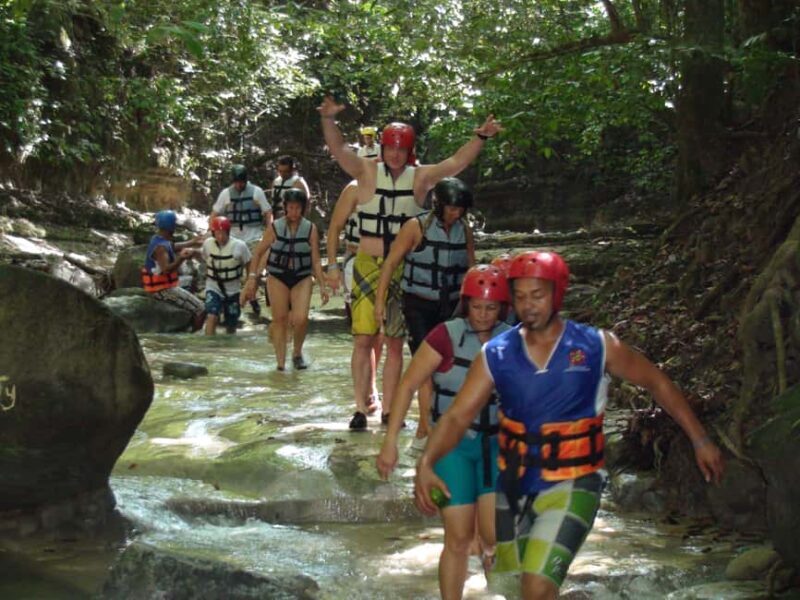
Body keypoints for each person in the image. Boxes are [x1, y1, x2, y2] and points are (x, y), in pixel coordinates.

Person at [413, 250, 725, 599]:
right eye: (520, 296)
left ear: (557, 294)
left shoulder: (597, 346)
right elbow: (457, 416)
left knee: (536, 587)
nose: (529, 305)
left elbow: (657, 383)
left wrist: (699, 440)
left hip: (574, 483)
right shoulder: (496, 355)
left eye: (538, 295)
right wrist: (427, 462)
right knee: (509, 584)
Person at [319, 95, 501, 431]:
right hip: (366, 263)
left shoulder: (419, 179)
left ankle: (390, 410)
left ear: (410, 150)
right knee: (363, 338)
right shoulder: (364, 173)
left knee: (393, 342)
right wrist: (329, 120)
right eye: (391, 148)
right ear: (384, 148)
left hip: (402, 267)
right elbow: (339, 151)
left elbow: (454, 164)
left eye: (401, 149)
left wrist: (481, 137)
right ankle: (361, 406)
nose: (395, 154)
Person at [377, 265, 511, 600]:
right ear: (465, 304)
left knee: (495, 538)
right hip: (453, 448)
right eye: (476, 306)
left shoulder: (513, 338)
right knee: (458, 538)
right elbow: (407, 385)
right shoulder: (444, 336)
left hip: (498, 445)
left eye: (491, 307)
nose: (483, 315)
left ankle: (500, 589)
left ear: (502, 308)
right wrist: (390, 443)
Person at [374, 177, 476, 442]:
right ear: (439, 205)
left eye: (460, 209)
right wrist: (379, 303)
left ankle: (443, 418)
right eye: (452, 208)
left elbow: (471, 270)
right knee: (426, 365)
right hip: (418, 305)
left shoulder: (464, 230)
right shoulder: (415, 227)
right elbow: (389, 264)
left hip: (451, 307)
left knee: (449, 364)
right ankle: (424, 424)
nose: (457, 213)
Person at [242, 189, 329, 370]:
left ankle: (297, 352)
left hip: (302, 277)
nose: (294, 212)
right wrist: (252, 278)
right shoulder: (274, 228)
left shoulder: (310, 229)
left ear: (303, 209)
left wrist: (322, 286)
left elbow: (315, 259)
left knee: (301, 318)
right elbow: (258, 252)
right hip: (277, 276)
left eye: (298, 208)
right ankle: (280, 365)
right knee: (279, 319)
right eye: (290, 208)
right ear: (285, 208)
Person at [336, 180, 383, 414]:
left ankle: (372, 386)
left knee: (380, 335)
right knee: (362, 335)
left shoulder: (399, 185)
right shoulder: (354, 188)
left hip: (387, 263)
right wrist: (332, 269)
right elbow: (336, 227)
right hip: (356, 263)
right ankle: (361, 400)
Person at [210, 164, 272, 317]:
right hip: (234, 239)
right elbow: (215, 213)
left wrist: (270, 233)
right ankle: (238, 300)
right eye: (236, 182)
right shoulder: (226, 194)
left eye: (241, 182)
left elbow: (268, 213)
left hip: (254, 237)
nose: (239, 185)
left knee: (253, 272)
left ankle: (250, 298)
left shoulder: (256, 192)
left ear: (246, 180)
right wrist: (212, 232)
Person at [140, 210, 206, 331]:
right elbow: (166, 270)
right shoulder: (160, 248)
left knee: (190, 285)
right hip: (161, 290)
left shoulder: (157, 239)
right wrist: (181, 258)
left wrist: (192, 242)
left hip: (160, 287)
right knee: (201, 309)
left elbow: (172, 246)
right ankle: (196, 340)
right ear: (171, 227)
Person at [199, 216, 251, 335]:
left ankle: (228, 349)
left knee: (231, 323)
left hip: (233, 290)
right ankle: (210, 346)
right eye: (217, 233)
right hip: (213, 287)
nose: (220, 237)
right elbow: (205, 258)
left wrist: (249, 283)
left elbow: (249, 262)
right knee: (212, 315)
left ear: (228, 232)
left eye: (223, 233)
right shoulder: (208, 244)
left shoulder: (240, 246)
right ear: (213, 233)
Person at [270, 155, 311, 219]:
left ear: (292, 170)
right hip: (276, 219)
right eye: (280, 171)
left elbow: (306, 205)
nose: (282, 174)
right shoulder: (276, 181)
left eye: (285, 171)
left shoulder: (298, 183)